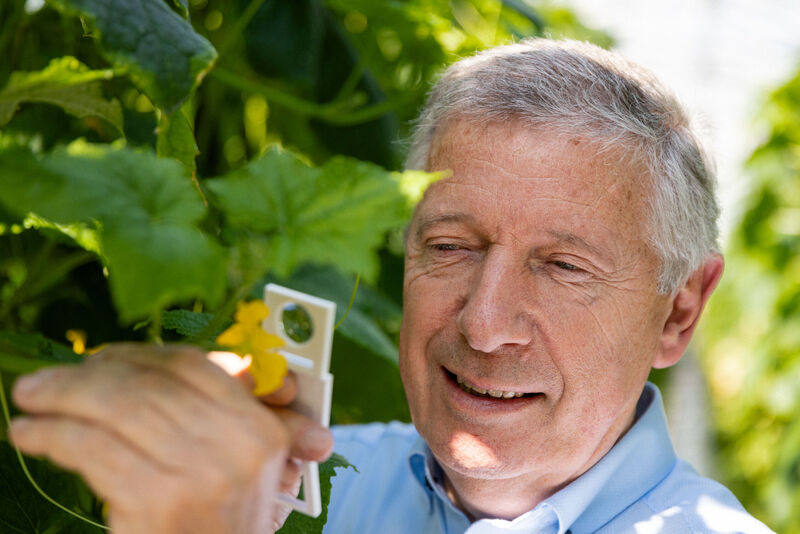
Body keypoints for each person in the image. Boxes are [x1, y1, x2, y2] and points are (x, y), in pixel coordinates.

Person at [8, 39, 773, 533]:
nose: (484, 324)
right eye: (450, 245)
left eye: (563, 266)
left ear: (678, 313)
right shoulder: (307, 486)